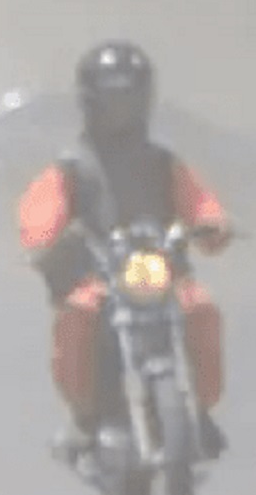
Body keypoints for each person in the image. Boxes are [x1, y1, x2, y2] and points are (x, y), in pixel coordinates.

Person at [16, 39, 234, 461]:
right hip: (99, 277)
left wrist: (212, 224)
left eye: (129, 99)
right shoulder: (72, 166)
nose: (122, 110)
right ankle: (84, 416)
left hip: (164, 275)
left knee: (201, 310)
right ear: (91, 102)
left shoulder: (163, 163)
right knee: (78, 314)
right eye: (113, 100)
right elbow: (41, 209)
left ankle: (201, 411)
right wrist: (44, 240)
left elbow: (199, 203)